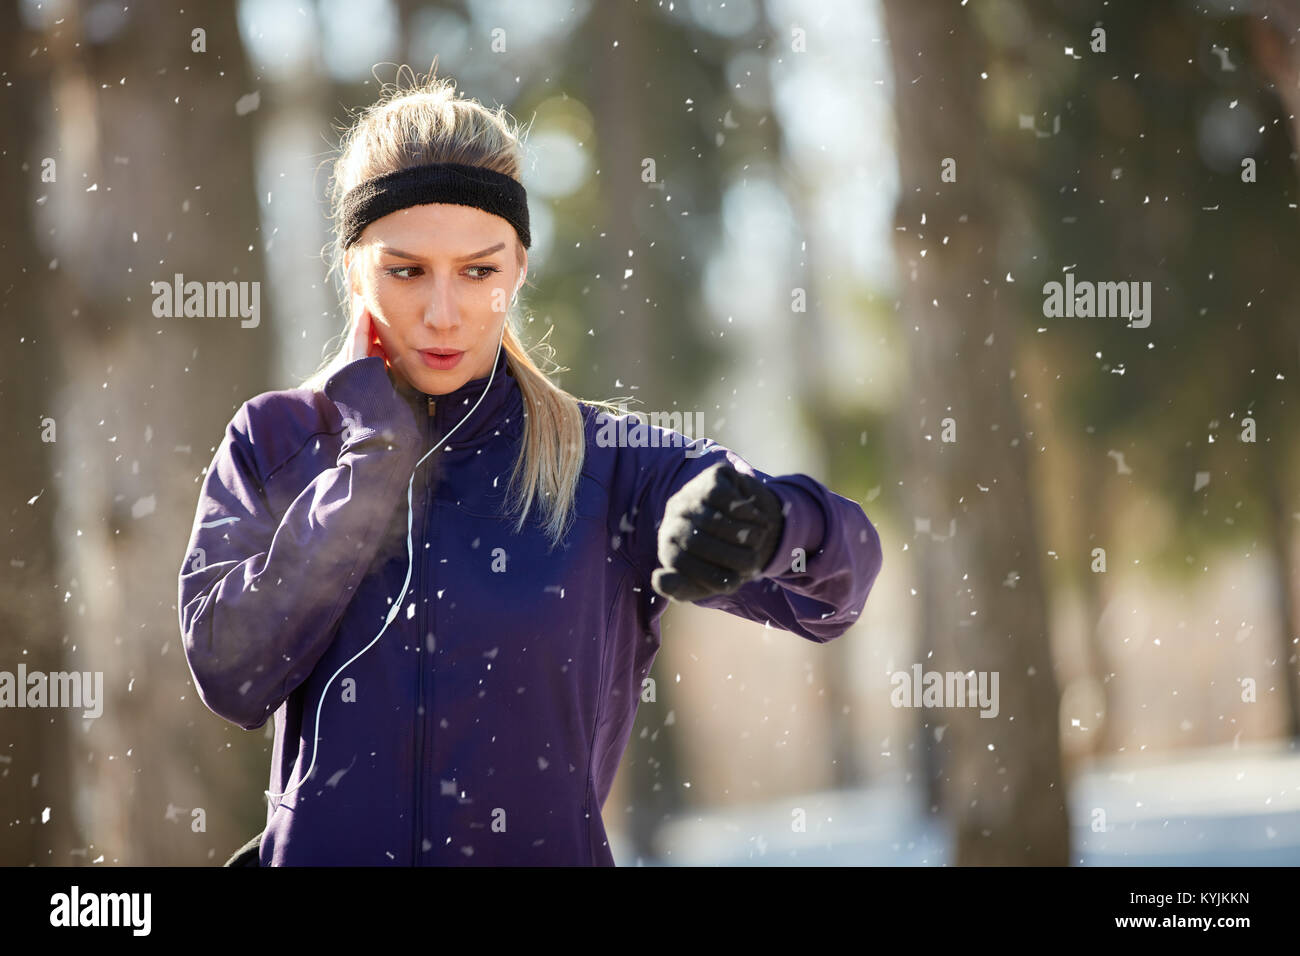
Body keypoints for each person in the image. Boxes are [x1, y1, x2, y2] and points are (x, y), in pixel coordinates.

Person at [177, 67, 883, 867]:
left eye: (478, 270)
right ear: (354, 271)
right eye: (406, 270)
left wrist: (774, 524)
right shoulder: (275, 441)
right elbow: (230, 669)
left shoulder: (604, 464)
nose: (443, 312)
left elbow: (835, 593)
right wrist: (370, 457)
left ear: (517, 270)